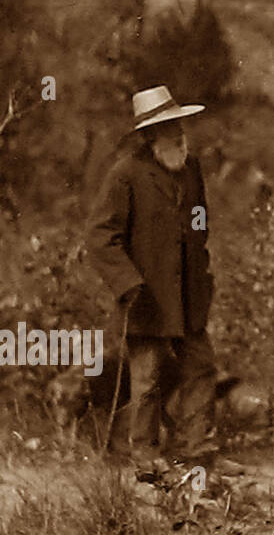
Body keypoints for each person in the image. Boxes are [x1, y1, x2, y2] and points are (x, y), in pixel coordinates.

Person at [87, 85, 218, 468]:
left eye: (180, 124)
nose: (179, 133)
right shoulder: (125, 174)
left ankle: (198, 450)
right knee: (147, 377)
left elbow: (199, 220)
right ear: (148, 135)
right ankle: (145, 454)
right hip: (147, 296)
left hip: (190, 294)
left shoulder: (190, 166)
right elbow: (99, 236)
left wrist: (200, 265)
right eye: (169, 127)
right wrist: (128, 284)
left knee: (202, 367)